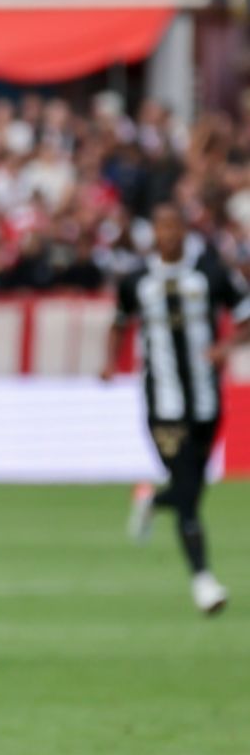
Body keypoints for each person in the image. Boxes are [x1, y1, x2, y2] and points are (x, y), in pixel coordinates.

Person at [104, 203, 250, 614]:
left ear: (184, 231)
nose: (167, 235)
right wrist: (109, 362)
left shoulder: (210, 273)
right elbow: (118, 321)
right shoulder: (137, 280)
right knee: (187, 493)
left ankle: (151, 501)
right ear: (153, 233)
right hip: (163, 404)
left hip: (206, 402)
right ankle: (204, 581)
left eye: (173, 227)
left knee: (193, 487)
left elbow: (246, 317)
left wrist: (225, 348)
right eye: (161, 228)